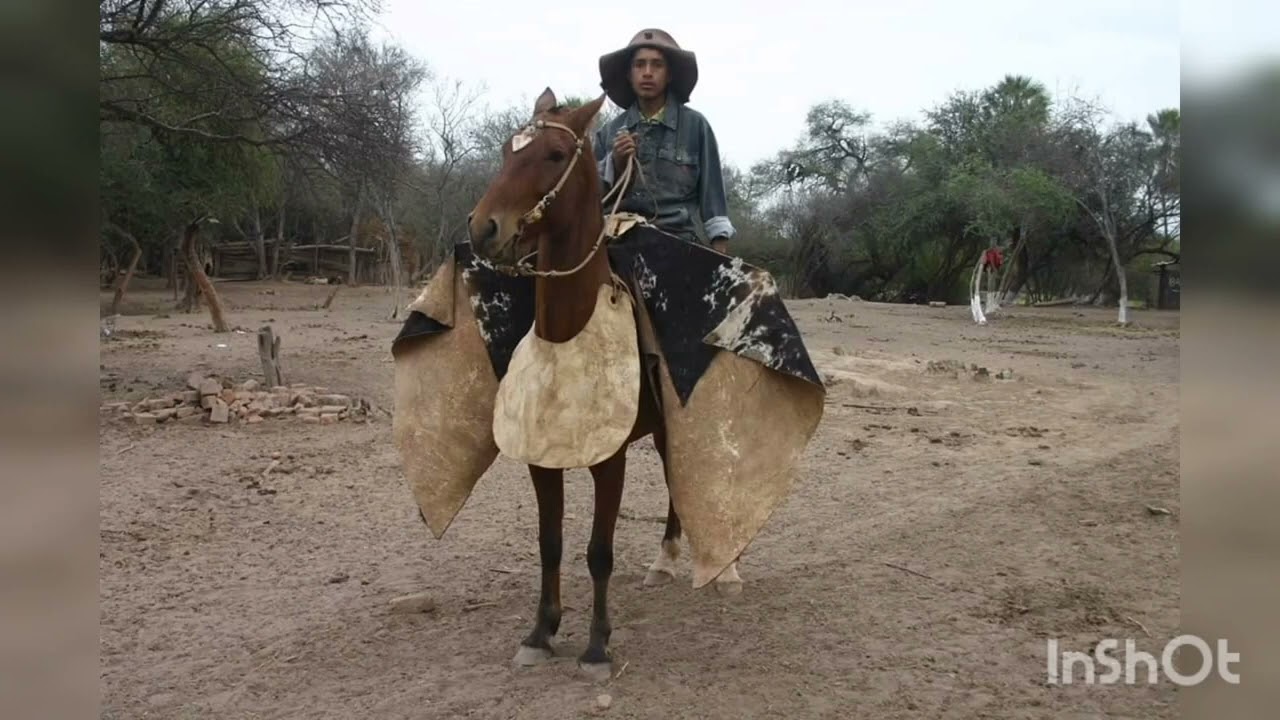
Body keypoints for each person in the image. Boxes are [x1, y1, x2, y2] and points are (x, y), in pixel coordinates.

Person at [593, 29, 735, 253]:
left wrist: (719, 256)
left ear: (669, 74)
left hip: (678, 244)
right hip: (617, 244)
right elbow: (590, 200)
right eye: (639, 65)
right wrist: (616, 164)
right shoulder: (608, 133)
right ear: (629, 75)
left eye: (657, 65)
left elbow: (713, 200)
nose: (647, 73)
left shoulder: (696, 126)